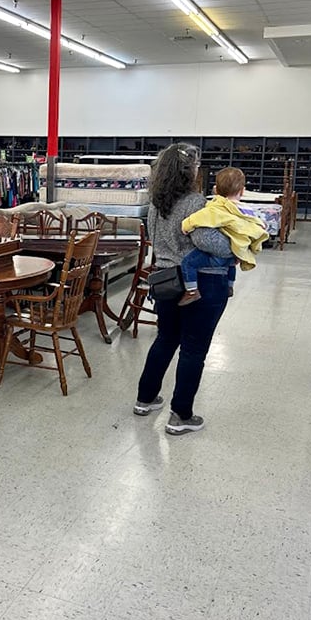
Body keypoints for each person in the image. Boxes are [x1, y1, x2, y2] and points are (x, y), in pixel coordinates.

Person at [134, 143, 234, 435]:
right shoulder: (196, 203)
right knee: (193, 349)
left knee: (165, 340)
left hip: (165, 281)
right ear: (190, 170)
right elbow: (206, 241)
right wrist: (236, 246)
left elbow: (156, 238)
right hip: (200, 284)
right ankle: (181, 415)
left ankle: (146, 398)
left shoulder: (156, 203)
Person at [178, 166, 269, 305]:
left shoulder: (218, 208)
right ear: (243, 191)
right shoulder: (247, 210)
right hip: (236, 254)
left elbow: (199, 218)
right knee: (231, 265)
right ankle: (230, 286)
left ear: (216, 190)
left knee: (188, 263)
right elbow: (256, 225)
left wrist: (186, 225)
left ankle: (191, 291)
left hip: (218, 257)